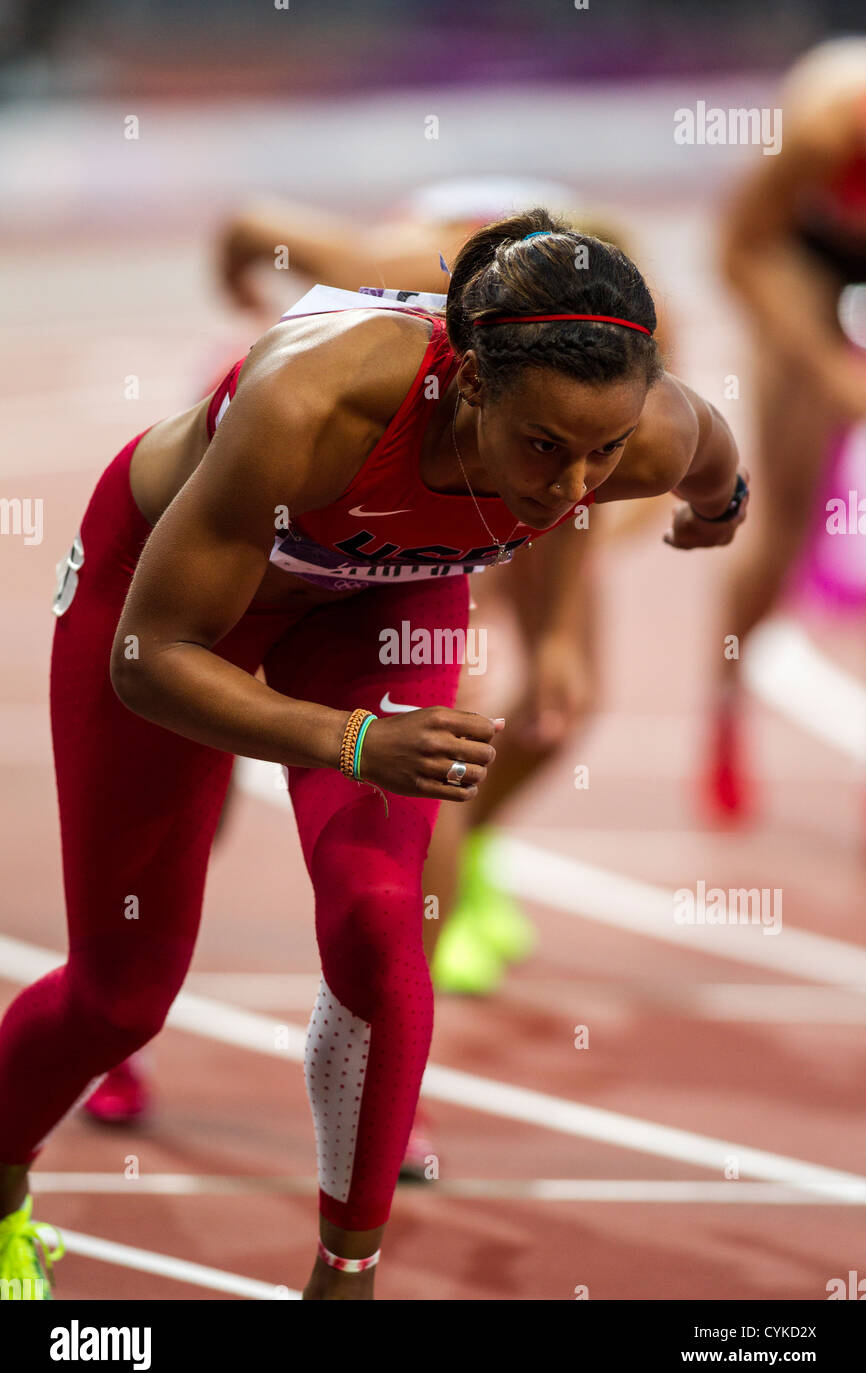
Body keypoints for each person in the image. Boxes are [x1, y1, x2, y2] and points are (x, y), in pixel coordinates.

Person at [0, 209, 747, 1300]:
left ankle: (344, 1276)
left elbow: (715, 466)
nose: (568, 489)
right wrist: (351, 741)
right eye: (542, 447)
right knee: (123, 996)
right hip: (172, 608)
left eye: (603, 453)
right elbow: (149, 662)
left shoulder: (652, 438)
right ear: (470, 386)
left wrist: (714, 514)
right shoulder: (311, 399)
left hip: (382, 608)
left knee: (377, 914)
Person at [84, 179, 671, 1134]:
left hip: (472, 481)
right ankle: (124, 1022)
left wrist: (555, 629)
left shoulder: (627, 360)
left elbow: (576, 488)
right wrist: (242, 282)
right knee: (194, 787)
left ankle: (393, 1057)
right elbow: (251, 222)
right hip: (294, 457)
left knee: (525, 714)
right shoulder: (384, 279)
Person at [708, 37, 866, 818]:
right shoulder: (826, 130)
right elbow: (737, 252)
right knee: (786, 523)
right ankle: (726, 704)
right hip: (796, 260)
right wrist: (827, 369)